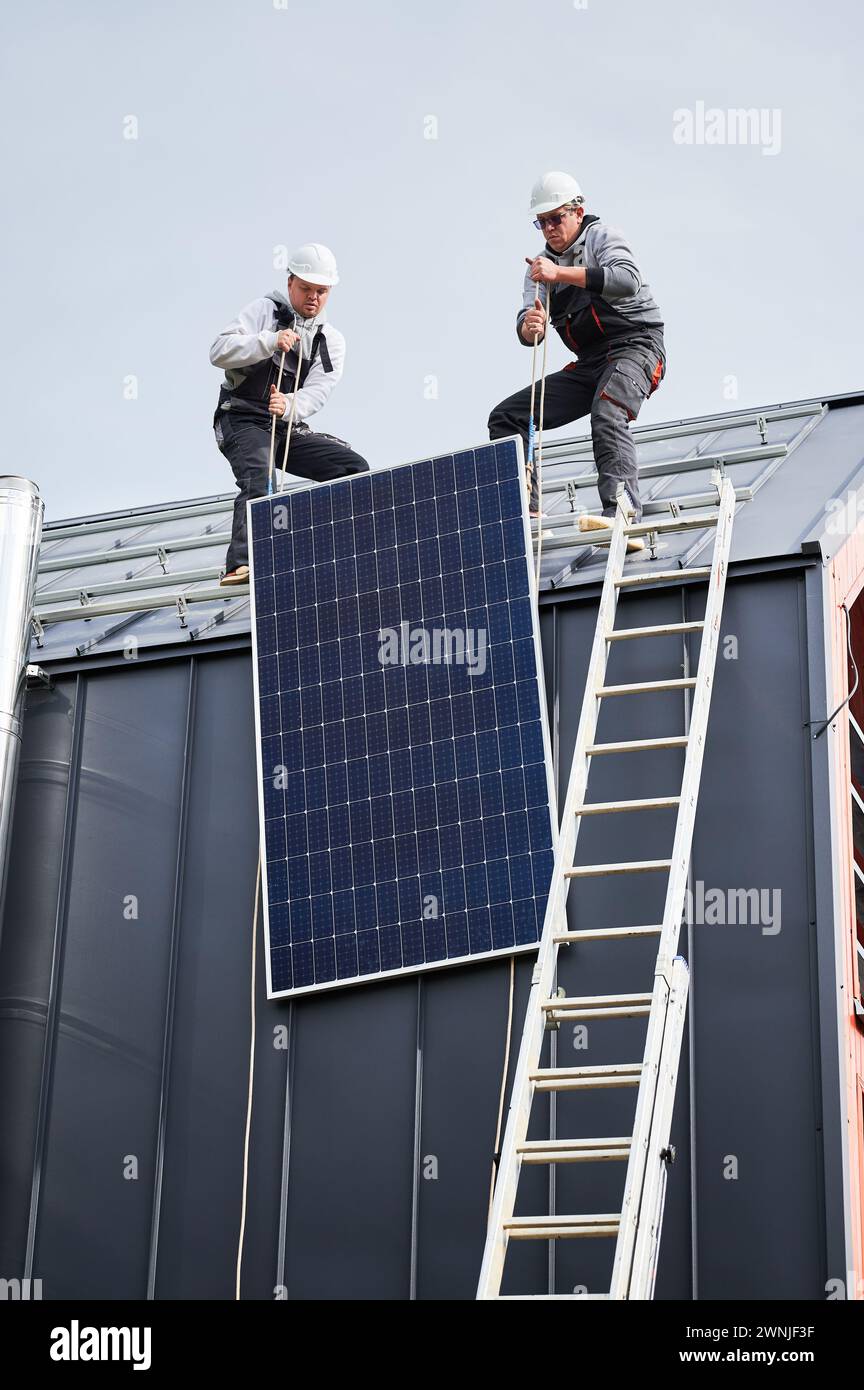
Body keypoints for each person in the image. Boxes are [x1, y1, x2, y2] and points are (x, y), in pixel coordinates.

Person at [489, 172, 666, 526]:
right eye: (542, 222)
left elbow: (626, 280)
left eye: (556, 218)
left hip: (637, 346)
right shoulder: (538, 269)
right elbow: (529, 328)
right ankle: (524, 512)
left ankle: (624, 513)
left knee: (608, 410)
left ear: (578, 211)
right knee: (507, 417)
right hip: (590, 363)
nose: (550, 228)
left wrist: (560, 275)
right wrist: (529, 327)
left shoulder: (601, 237)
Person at [210, 243, 368, 584]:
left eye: (321, 291)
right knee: (261, 479)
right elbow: (219, 350)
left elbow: (320, 389)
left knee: (352, 467)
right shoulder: (264, 311)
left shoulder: (331, 339)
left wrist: (291, 406)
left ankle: (332, 547)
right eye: (306, 288)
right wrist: (267, 341)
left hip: (284, 424)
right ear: (290, 283)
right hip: (241, 417)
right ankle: (241, 564)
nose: (313, 297)